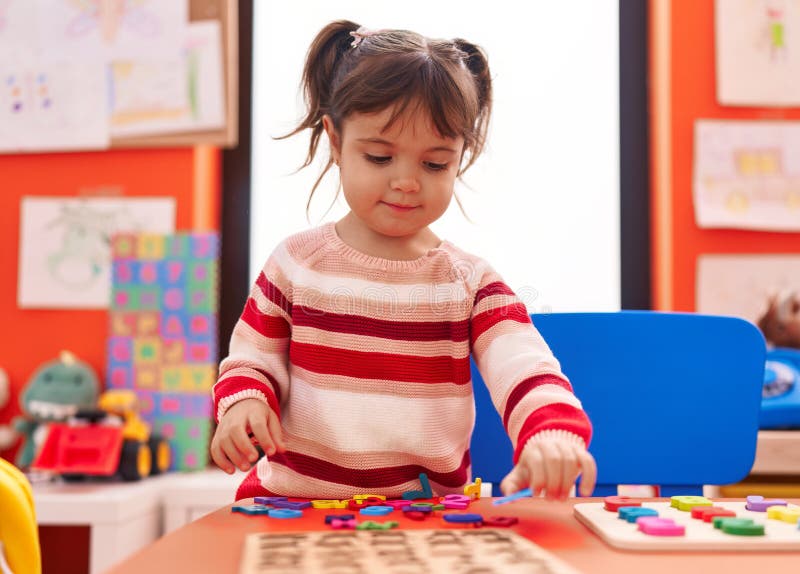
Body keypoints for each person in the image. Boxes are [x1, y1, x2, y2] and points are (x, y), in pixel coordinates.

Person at [211, 20, 597, 502]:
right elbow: (251, 360)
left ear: (461, 157)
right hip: (292, 506)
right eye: (379, 156)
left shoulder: (468, 282)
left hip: (421, 517)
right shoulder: (295, 264)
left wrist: (550, 432)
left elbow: (524, 364)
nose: (407, 181)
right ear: (335, 140)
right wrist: (243, 404)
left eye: (434, 164)